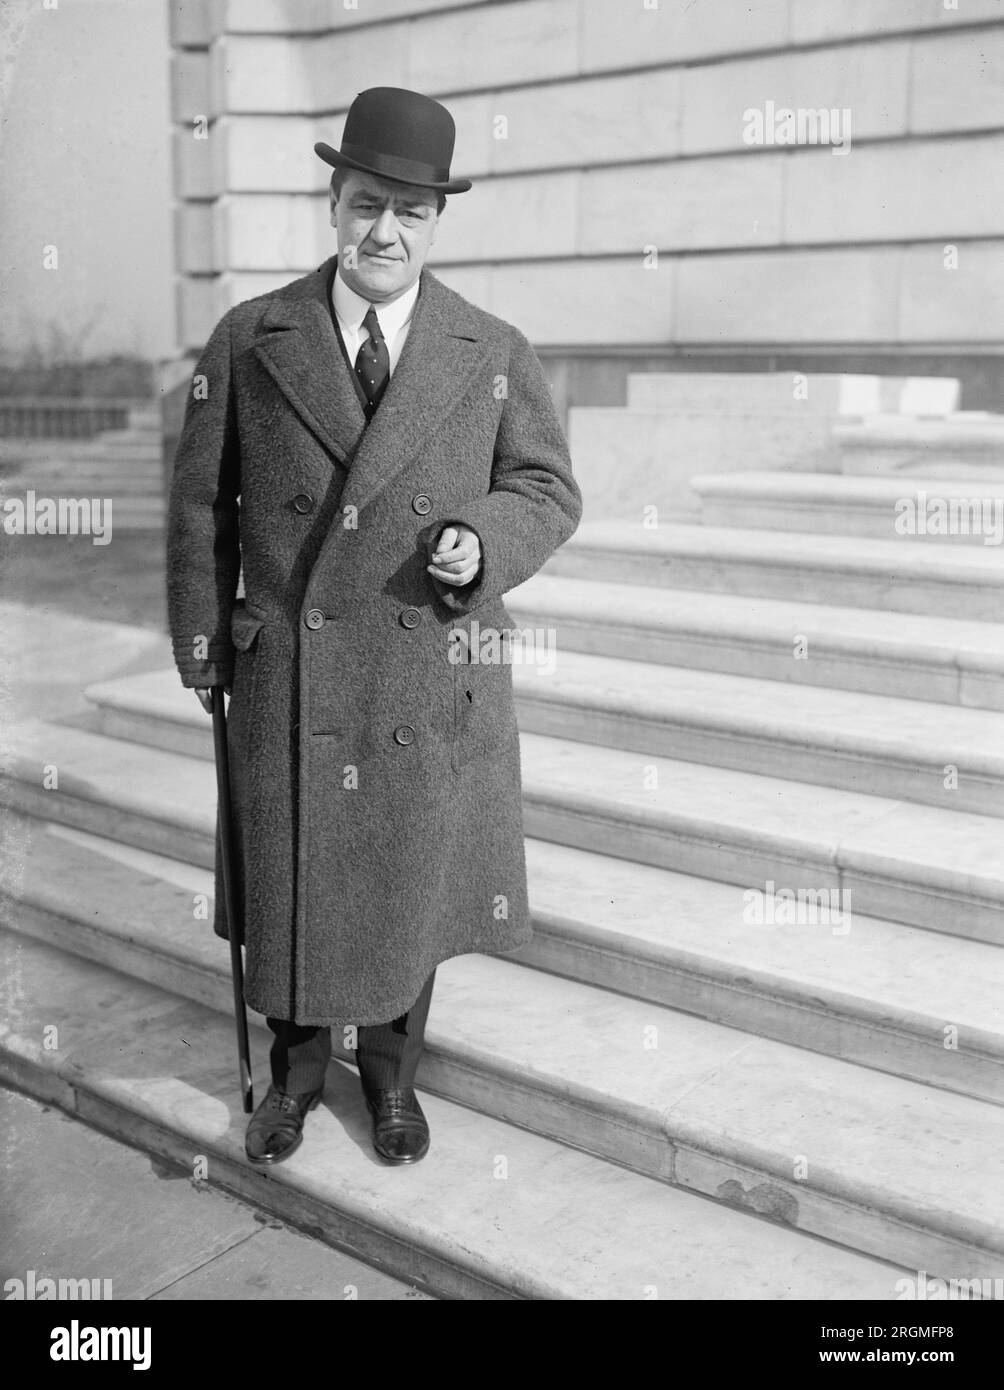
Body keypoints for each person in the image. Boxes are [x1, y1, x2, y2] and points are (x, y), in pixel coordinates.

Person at [166, 86, 582, 1168]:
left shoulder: (487, 349)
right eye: (364, 205)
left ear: (436, 220)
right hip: (287, 678)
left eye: (408, 211)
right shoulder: (251, 338)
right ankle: (292, 1081)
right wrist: (206, 641)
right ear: (333, 204)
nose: (383, 233)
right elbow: (199, 505)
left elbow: (544, 487)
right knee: (290, 886)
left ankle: (393, 1085)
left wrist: (484, 541)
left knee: (403, 887)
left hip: (418, 671)